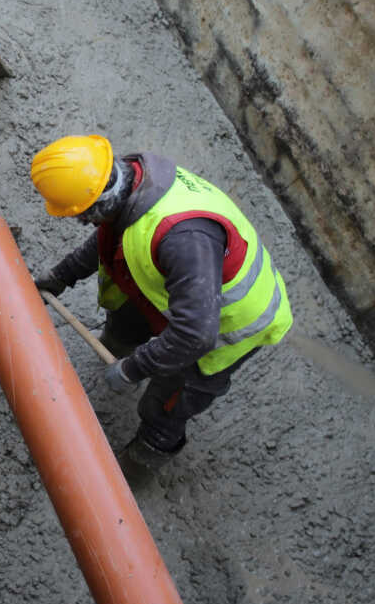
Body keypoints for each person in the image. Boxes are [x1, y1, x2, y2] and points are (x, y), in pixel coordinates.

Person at [31, 134, 293, 476]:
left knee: (165, 405)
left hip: (226, 326)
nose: (81, 222)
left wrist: (132, 370)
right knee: (126, 319)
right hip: (191, 294)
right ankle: (119, 346)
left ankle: (141, 464)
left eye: (82, 215)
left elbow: (196, 335)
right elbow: (110, 237)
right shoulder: (130, 183)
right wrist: (61, 275)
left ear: (99, 203)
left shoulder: (180, 238)